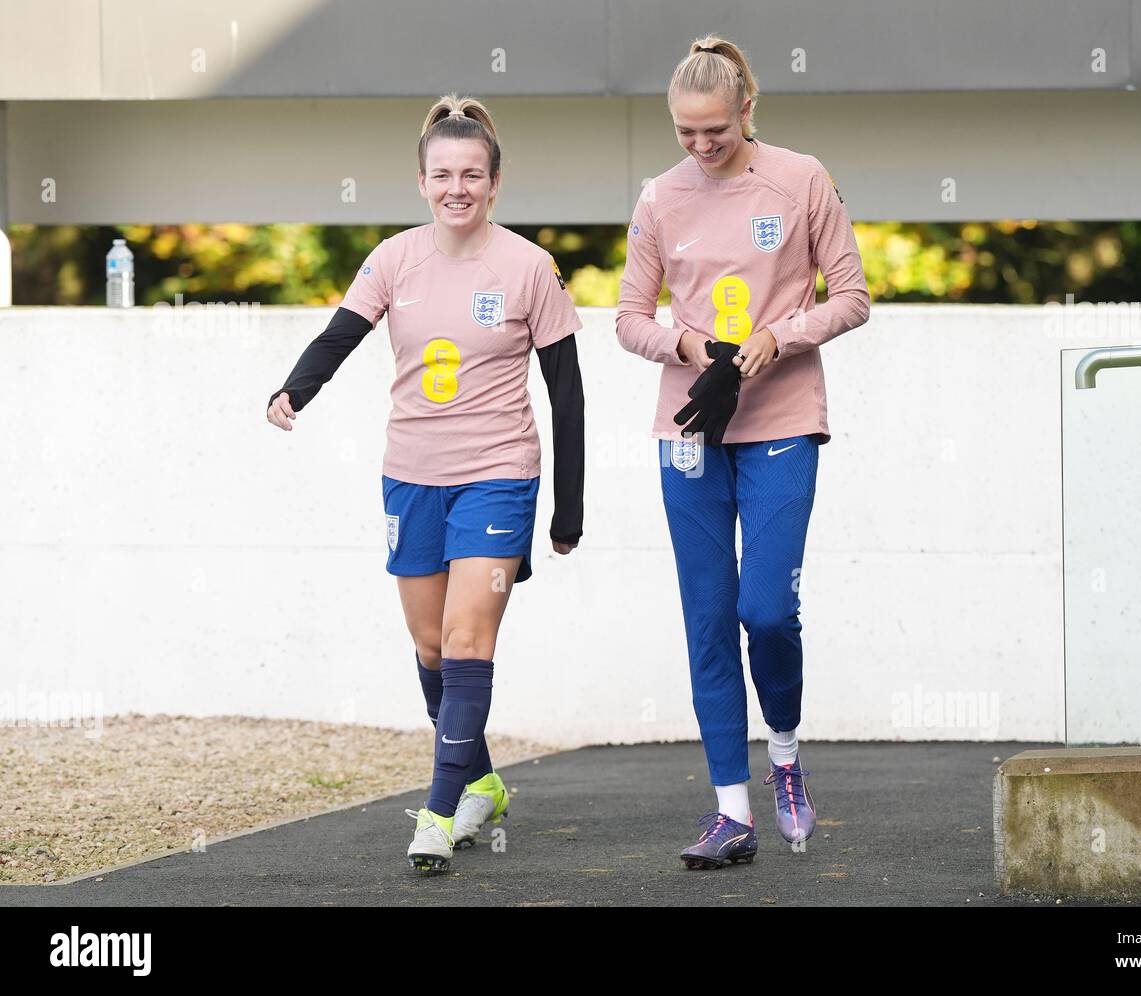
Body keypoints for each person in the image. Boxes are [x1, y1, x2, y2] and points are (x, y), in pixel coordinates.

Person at [267, 95, 585, 875]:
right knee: (434, 645)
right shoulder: (392, 258)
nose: (457, 187)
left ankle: (439, 814)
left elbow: (567, 393)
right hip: (411, 476)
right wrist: (292, 389)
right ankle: (478, 782)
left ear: (495, 182)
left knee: (472, 638)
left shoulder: (528, 267)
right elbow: (342, 333)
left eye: (472, 174)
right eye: (442, 174)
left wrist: (567, 509)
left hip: (498, 476)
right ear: (421, 180)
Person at [616, 36, 870, 869]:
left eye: (715, 131)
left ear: (747, 109)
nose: (700, 147)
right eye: (686, 133)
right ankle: (731, 811)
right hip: (690, 428)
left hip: (784, 420)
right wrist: (686, 347)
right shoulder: (659, 197)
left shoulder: (801, 180)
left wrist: (779, 336)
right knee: (708, 617)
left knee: (766, 610)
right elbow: (627, 318)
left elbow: (854, 296)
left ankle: (787, 756)